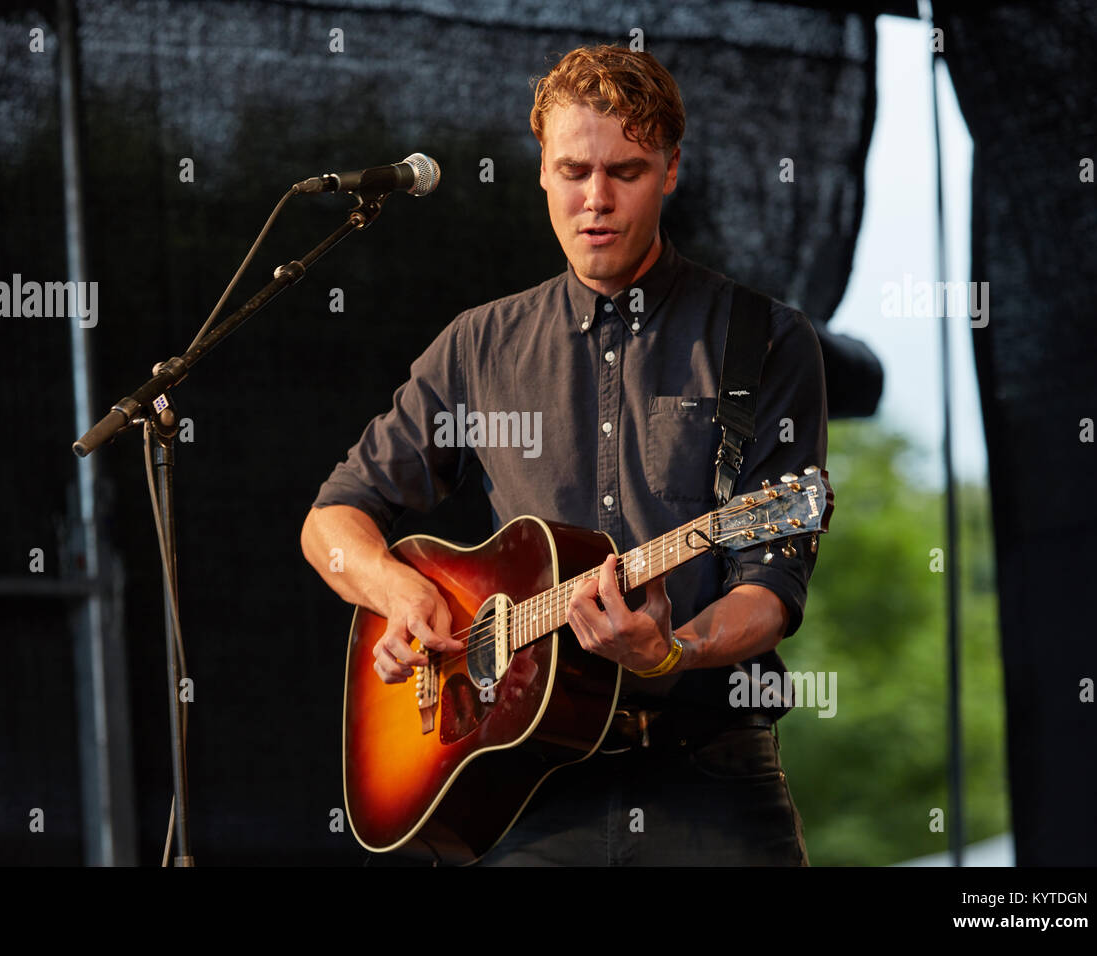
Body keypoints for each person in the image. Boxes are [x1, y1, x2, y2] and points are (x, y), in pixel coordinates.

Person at [301, 44, 828, 865]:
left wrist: (673, 649)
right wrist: (397, 591)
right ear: (541, 171)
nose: (596, 199)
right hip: (523, 790)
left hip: (709, 780)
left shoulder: (763, 340)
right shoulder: (478, 344)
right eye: (573, 169)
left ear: (671, 171)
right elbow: (333, 520)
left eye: (626, 171)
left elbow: (772, 582)